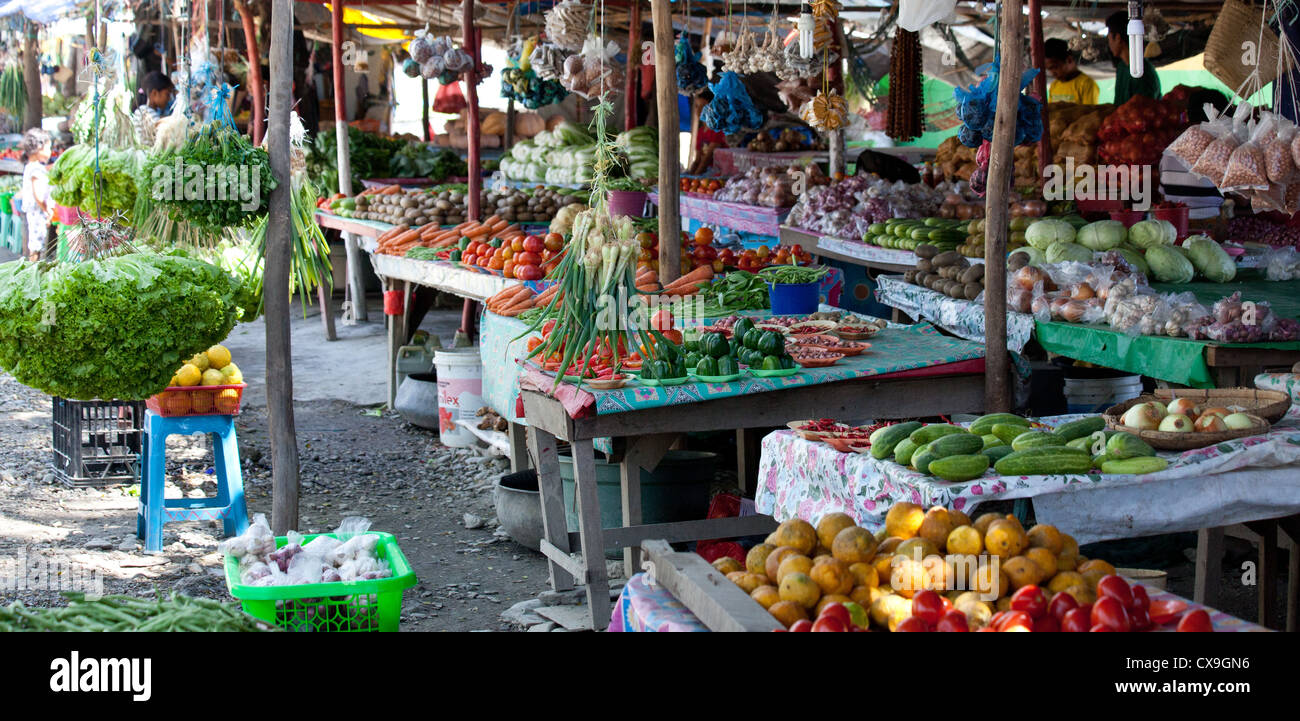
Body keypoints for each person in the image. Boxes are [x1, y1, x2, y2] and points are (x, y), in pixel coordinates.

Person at [1107, 10, 1161, 104]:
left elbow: (1145, 109)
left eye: (1109, 39)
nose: (1109, 44)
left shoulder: (1142, 71)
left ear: (1118, 38)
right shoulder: (1121, 67)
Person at [19, 129, 53, 262]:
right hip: (37, 213)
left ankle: (32, 266)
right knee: (36, 247)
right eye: (48, 148)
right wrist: (47, 210)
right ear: (39, 148)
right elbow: (38, 195)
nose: (50, 152)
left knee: (34, 245)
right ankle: (33, 268)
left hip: (33, 212)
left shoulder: (32, 166)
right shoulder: (36, 169)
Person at [1044, 38, 1099, 104]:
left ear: (1069, 60)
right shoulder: (1054, 85)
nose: (1052, 73)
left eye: (1055, 67)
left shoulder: (1086, 84)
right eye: (1049, 69)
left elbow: (1090, 110)